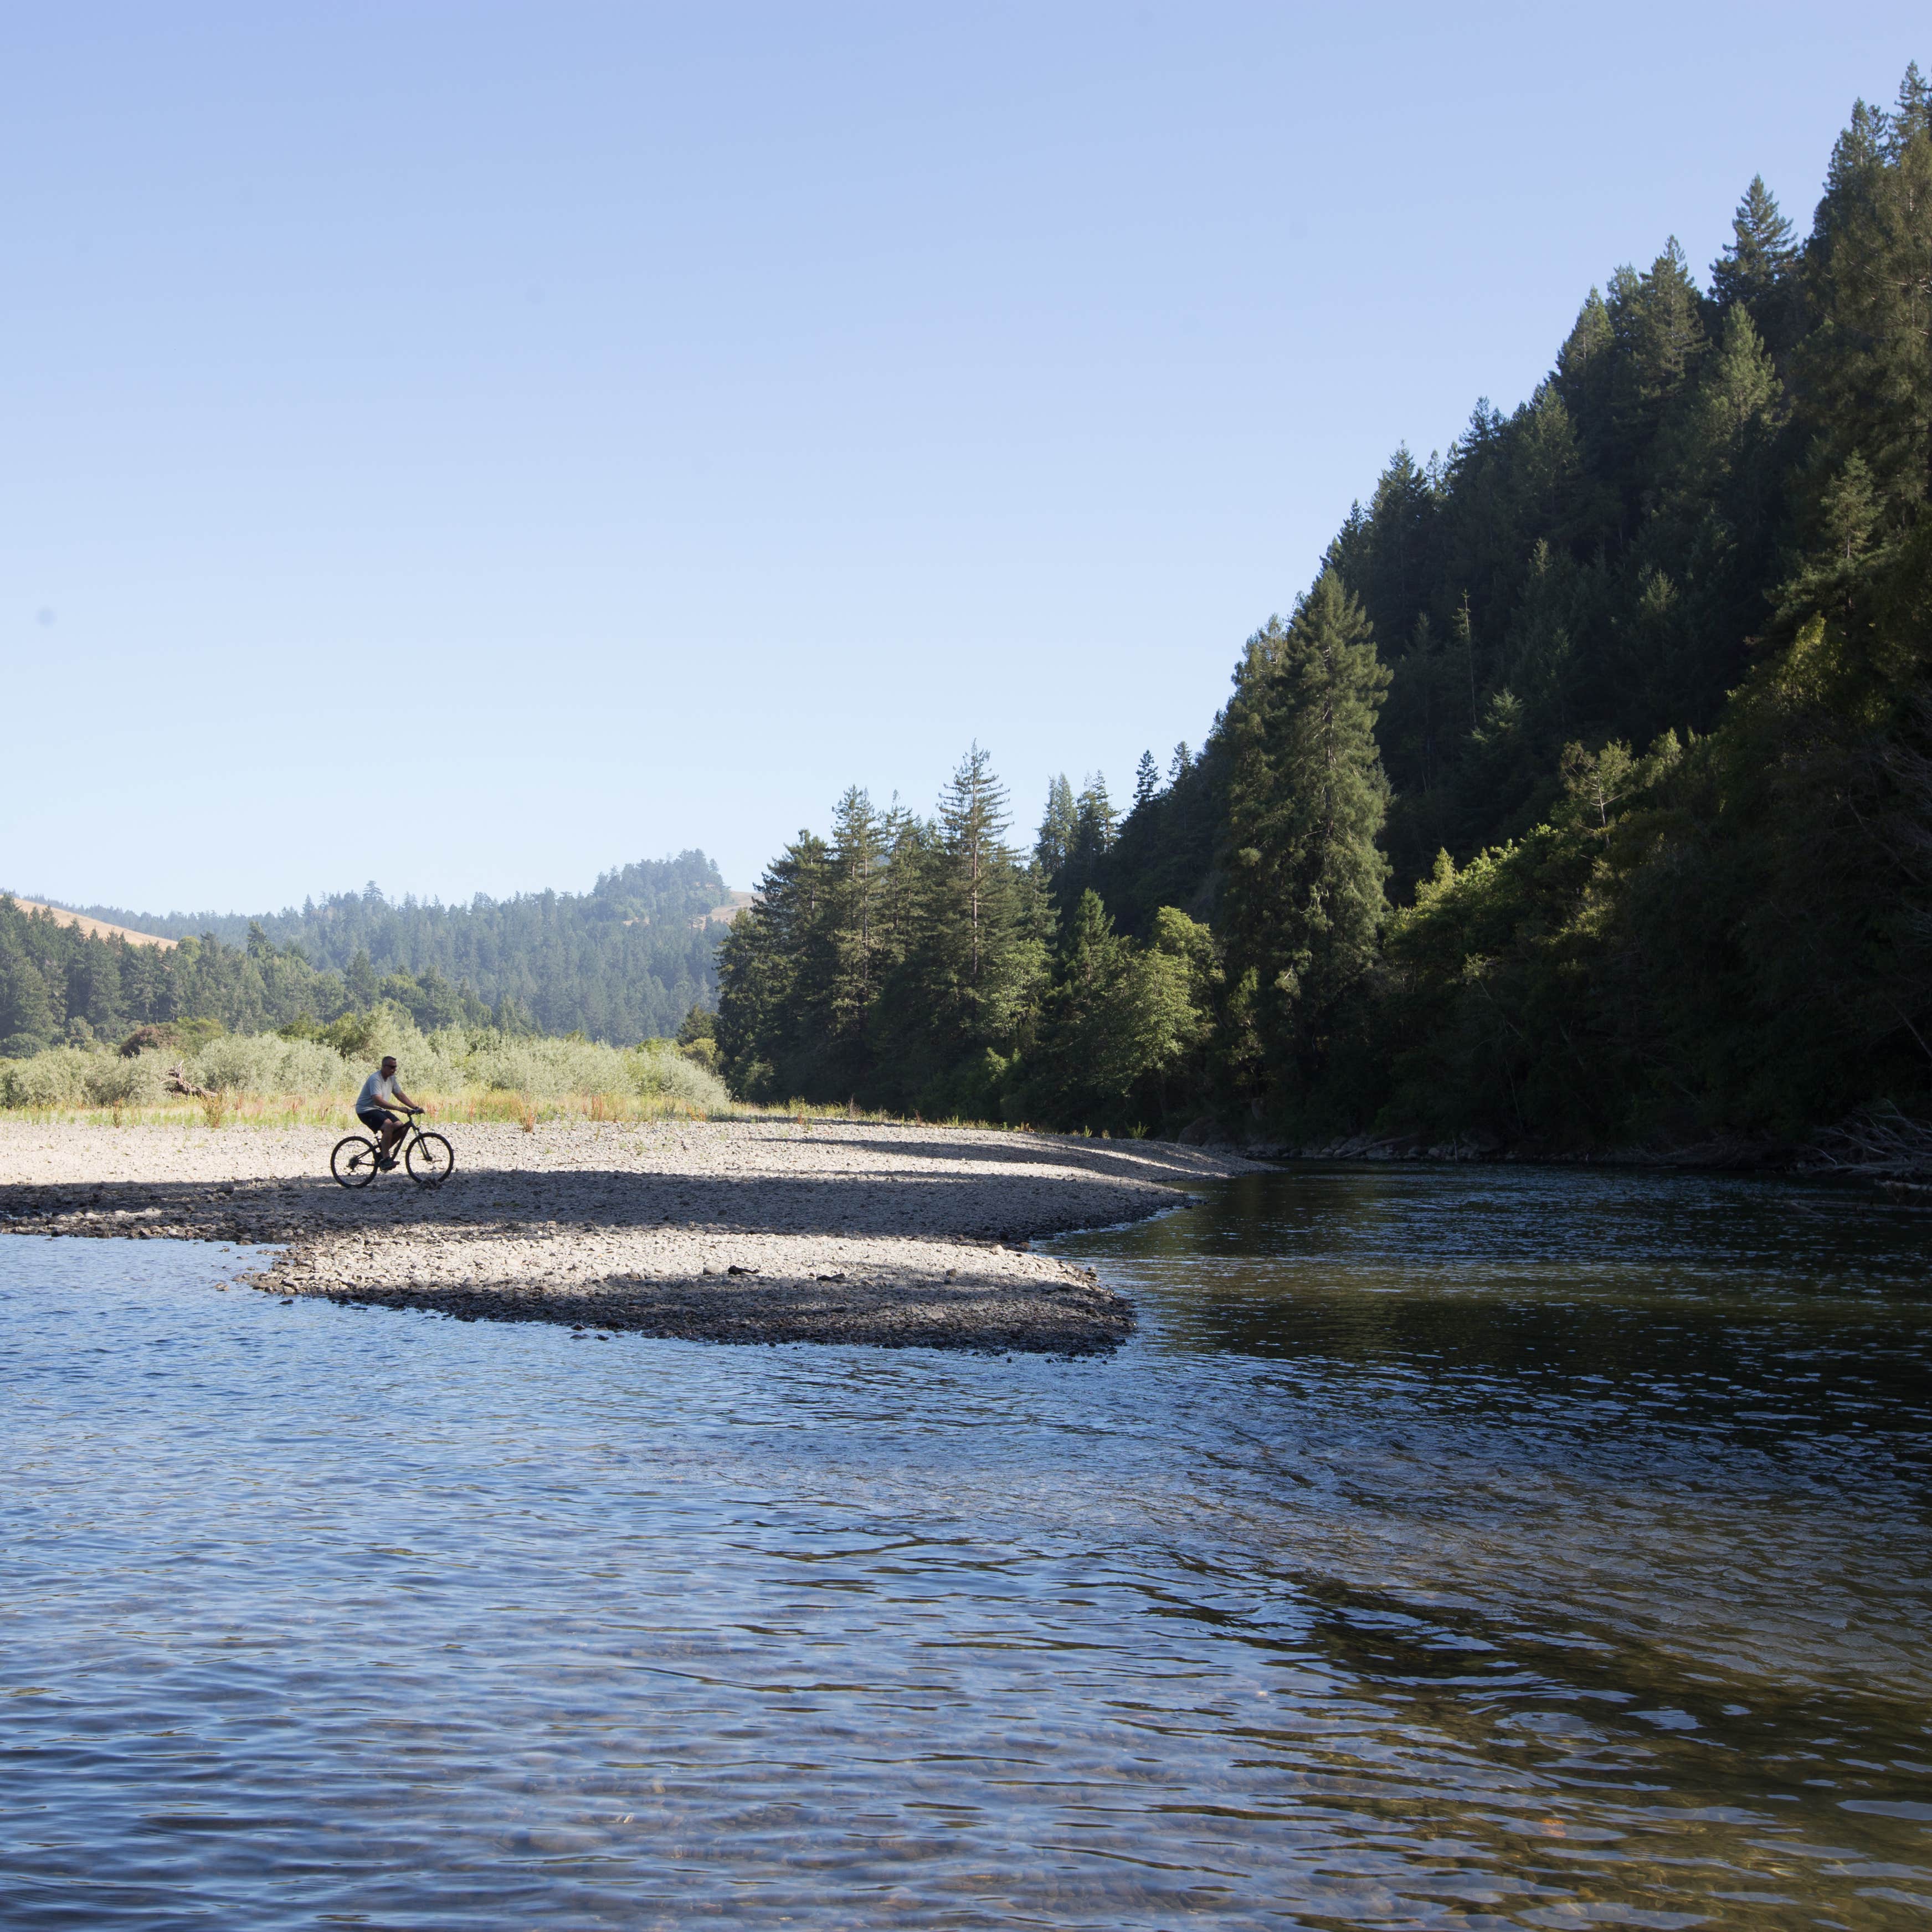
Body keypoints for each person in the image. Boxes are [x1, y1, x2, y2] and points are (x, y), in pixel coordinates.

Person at [354, 1055, 423, 1169]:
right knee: (388, 1125)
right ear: (384, 1067)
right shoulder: (375, 1079)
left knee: (401, 1127)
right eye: (391, 1067)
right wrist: (398, 1108)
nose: (394, 1070)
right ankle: (386, 1158)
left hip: (379, 1110)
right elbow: (378, 1101)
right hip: (366, 1110)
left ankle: (381, 1155)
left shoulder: (392, 1079)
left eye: (395, 1067)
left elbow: (400, 1095)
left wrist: (415, 1107)